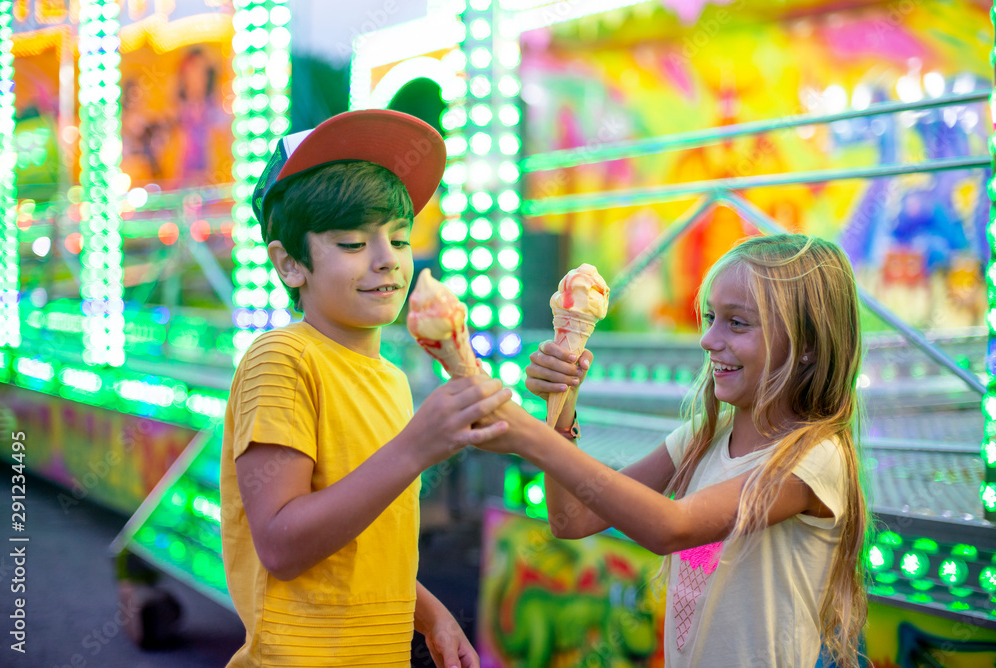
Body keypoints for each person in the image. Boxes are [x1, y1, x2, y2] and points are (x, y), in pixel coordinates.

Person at [480, 234, 868, 667]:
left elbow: (672, 528)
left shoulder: (815, 458)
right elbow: (572, 519)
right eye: (709, 318)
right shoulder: (701, 439)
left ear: (809, 346)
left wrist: (531, 439)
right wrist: (561, 410)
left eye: (736, 323)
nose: (708, 340)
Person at [220, 110, 511, 667]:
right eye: (353, 243)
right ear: (289, 264)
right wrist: (416, 448)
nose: (387, 261)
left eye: (399, 239)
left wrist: (431, 614)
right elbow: (281, 544)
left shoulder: (392, 379)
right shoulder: (282, 358)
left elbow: (360, 547)